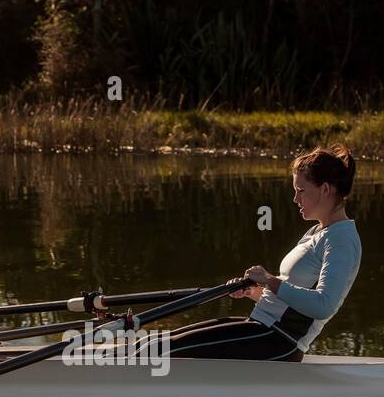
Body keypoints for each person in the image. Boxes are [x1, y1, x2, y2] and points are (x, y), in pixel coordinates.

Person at [142, 144, 362, 361]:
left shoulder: (341, 239)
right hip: (262, 328)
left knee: (161, 350)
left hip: (279, 341)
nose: (295, 199)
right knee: (156, 342)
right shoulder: (317, 231)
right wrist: (254, 293)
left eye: (301, 191)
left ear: (325, 189)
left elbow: (323, 305)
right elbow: (289, 301)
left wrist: (269, 280)